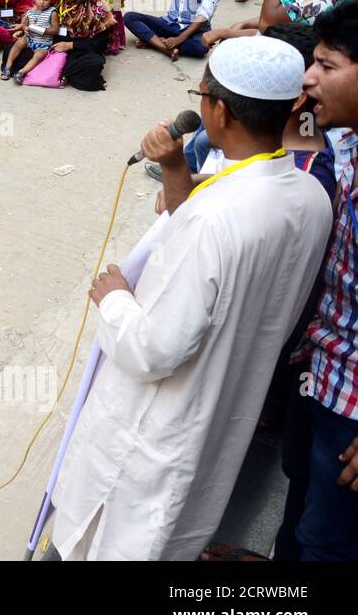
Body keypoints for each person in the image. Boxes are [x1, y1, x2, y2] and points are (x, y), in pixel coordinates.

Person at [51, 35, 332, 560]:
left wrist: (114, 300)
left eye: (201, 94)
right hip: (222, 412)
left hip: (156, 429)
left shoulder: (215, 216)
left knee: (121, 539)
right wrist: (182, 173)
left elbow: (156, 349)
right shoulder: (311, 196)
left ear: (219, 110)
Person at [274, 0, 358, 560]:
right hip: (318, 366)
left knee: (327, 540)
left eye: (327, 66)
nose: (310, 75)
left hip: (351, 404)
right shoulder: (345, 139)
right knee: (300, 485)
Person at [1, 0, 60, 84]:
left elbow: (55, 30)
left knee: (38, 56)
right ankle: (7, 67)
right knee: (18, 44)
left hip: (43, 43)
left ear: (53, 0)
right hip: (30, 39)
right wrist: (23, 29)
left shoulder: (52, 12)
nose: (41, 2)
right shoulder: (30, 11)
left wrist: (38, 29)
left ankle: (21, 72)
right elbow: (25, 25)